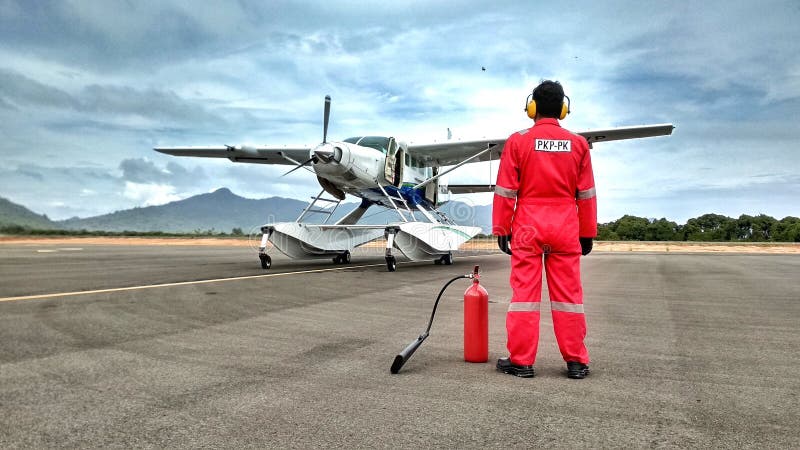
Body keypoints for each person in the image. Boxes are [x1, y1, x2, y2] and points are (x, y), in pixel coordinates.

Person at [493, 80, 597, 379]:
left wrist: (502, 228)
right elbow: (587, 193)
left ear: (532, 107)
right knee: (569, 298)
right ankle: (576, 362)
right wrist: (587, 232)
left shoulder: (518, 141)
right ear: (564, 109)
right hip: (566, 228)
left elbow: (505, 191)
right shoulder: (578, 144)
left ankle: (522, 362)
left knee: (525, 295)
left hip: (528, 228)